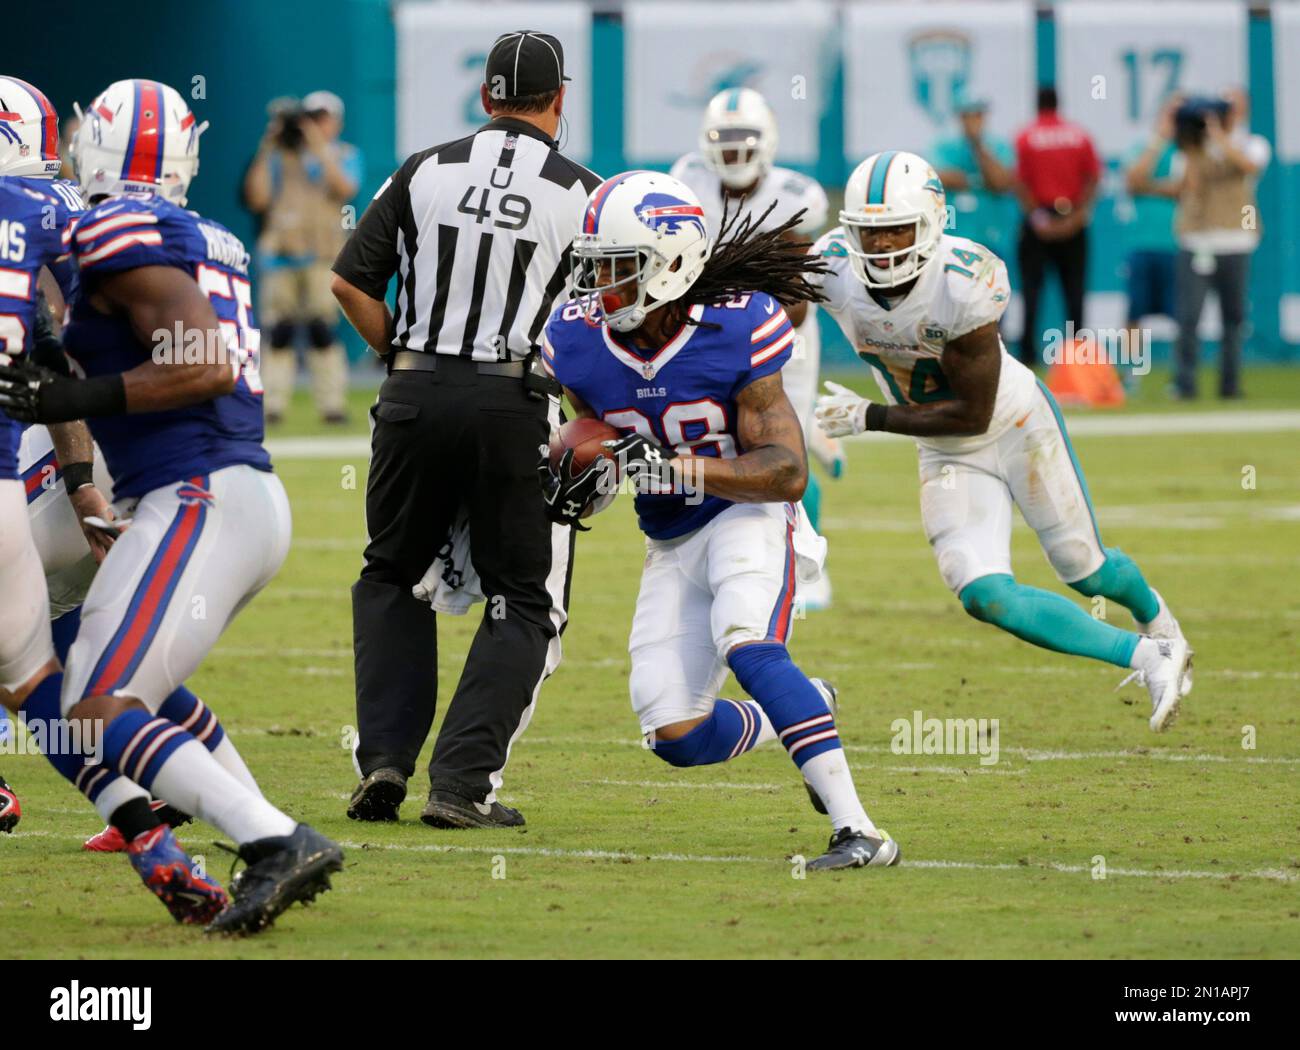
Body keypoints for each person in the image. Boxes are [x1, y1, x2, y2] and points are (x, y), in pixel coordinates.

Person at [0, 78, 343, 934]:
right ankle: (266, 841)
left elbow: (204, 361)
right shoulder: (200, 234)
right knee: (105, 678)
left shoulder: (119, 228)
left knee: (99, 704)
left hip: (202, 497)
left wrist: (65, 399)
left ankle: (274, 839)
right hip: (222, 498)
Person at [538, 170, 899, 870]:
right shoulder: (576, 341)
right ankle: (805, 708)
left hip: (749, 514)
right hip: (670, 541)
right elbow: (591, 438)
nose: (600, 289)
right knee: (673, 732)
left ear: (670, 265)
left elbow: (786, 469)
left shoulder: (738, 323)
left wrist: (671, 466)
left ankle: (860, 830)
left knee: (747, 641)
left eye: (619, 270)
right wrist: (577, 476)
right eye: (596, 269)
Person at [809, 151, 1193, 733]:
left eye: (896, 229)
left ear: (933, 223)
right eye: (869, 231)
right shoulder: (832, 266)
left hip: (1013, 425)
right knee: (984, 594)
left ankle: (1157, 620)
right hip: (944, 453)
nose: (883, 246)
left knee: (1083, 568)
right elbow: (765, 301)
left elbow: (971, 412)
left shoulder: (965, 281)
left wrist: (868, 417)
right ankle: (1149, 657)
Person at [331, 31, 601, 829]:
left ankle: (383, 758)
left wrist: (400, 351)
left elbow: (348, 281)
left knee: (391, 576)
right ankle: (460, 785)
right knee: (524, 599)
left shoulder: (424, 169)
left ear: (485, 99)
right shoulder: (584, 192)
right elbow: (600, 323)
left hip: (413, 396)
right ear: (560, 101)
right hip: (512, 403)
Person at [669, 86, 838, 609]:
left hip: (780, 333)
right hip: (712, 331)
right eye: (724, 139)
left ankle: (808, 566)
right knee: (728, 440)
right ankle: (740, 560)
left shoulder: (795, 196)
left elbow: (797, 304)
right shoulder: (686, 180)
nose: (735, 151)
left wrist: (741, 308)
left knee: (788, 441)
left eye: (745, 140)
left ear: (767, 142)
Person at [1129, 89, 1269, 399]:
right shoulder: (1192, 149)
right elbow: (1186, 187)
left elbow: (1249, 166)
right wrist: (1189, 141)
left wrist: (1219, 137)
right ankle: (1185, 384)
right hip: (1197, 240)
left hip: (1236, 240)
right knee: (1189, 316)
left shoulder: (1251, 143)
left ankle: (1230, 386)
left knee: (1233, 319)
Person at [243, 90, 361, 424]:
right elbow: (257, 198)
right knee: (278, 332)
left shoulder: (343, 154)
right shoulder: (278, 157)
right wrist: (269, 145)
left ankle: (332, 405)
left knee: (322, 330)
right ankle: (272, 406)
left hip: (323, 255)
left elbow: (345, 187)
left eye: (321, 118)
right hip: (281, 255)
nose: (315, 125)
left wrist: (316, 144)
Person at [1013, 86, 1101, 367]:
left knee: (1031, 294)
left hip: (1039, 220)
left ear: (1037, 104)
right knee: (1074, 294)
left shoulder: (1026, 136)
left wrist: (1038, 218)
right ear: (1058, 103)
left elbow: (1018, 181)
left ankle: (1027, 356)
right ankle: (1076, 359)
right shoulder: (1079, 134)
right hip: (1072, 218)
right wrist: (1078, 216)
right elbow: (1094, 178)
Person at [1121, 94, 1183, 385]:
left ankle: (1181, 374)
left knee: (1182, 314)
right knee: (1135, 312)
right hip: (1142, 244)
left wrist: (1150, 187)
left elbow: (1185, 189)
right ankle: (1132, 373)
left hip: (1178, 243)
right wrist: (1159, 140)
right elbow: (1134, 180)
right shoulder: (1143, 147)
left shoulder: (1188, 151)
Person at [931, 97, 1017, 260]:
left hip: (990, 237)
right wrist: (979, 181)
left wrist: (977, 144)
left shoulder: (999, 145)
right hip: (953, 236)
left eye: (977, 115)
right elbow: (938, 178)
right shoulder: (943, 145)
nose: (972, 121)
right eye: (967, 116)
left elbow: (1001, 182)